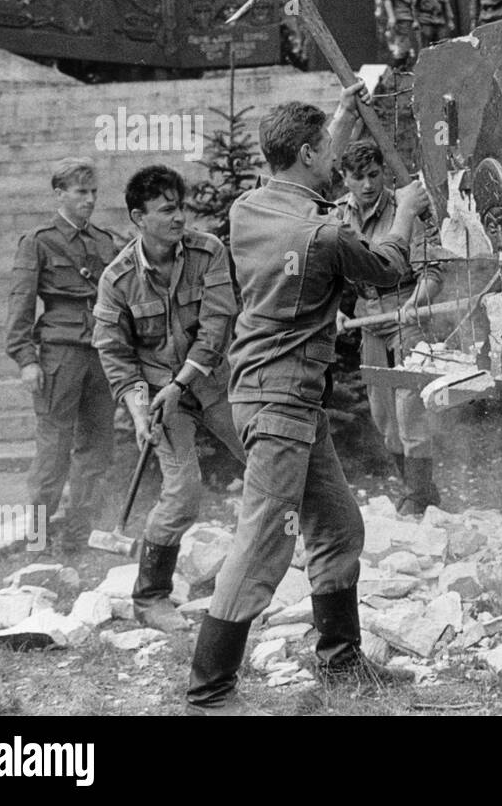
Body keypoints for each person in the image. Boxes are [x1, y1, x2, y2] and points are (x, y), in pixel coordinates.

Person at [185, 82, 431, 715]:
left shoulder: (248, 209)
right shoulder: (324, 235)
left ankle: (340, 662)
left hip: (279, 399)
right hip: (282, 404)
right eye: (327, 148)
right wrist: (406, 209)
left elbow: (305, 179)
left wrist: (343, 116)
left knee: (339, 527)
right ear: (308, 154)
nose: (336, 159)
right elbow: (387, 266)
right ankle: (208, 691)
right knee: (263, 543)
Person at [92, 165, 246, 632]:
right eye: (165, 210)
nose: (179, 217)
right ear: (138, 218)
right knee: (183, 494)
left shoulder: (208, 251)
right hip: (160, 399)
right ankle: (150, 597)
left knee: (268, 459)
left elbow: (216, 327)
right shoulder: (117, 280)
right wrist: (141, 411)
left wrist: (182, 384)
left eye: (180, 207)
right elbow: (116, 355)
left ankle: (298, 554)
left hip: (212, 383)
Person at [6, 157, 120, 554]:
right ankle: (37, 542)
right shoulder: (39, 240)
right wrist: (26, 359)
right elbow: (21, 303)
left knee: (97, 448)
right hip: (59, 355)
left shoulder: (104, 241)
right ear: (60, 194)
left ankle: (76, 538)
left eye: (93, 192)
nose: (90, 200)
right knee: (53, 450)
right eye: (80, 192)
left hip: (101, 355)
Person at [334, 138, 445, 514]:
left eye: (374, 174)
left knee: (409, 408)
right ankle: (421, 490)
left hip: (405, 313)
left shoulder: (406, 207)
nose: (367, 184)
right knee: (383, 415)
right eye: (358, 177)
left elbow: (433, 271)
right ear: (345, 178)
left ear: (383, 171)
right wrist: (336, 310)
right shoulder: (338, 215)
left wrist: (417, 303)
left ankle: (417, 495)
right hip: (368, 317)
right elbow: (326, 272)